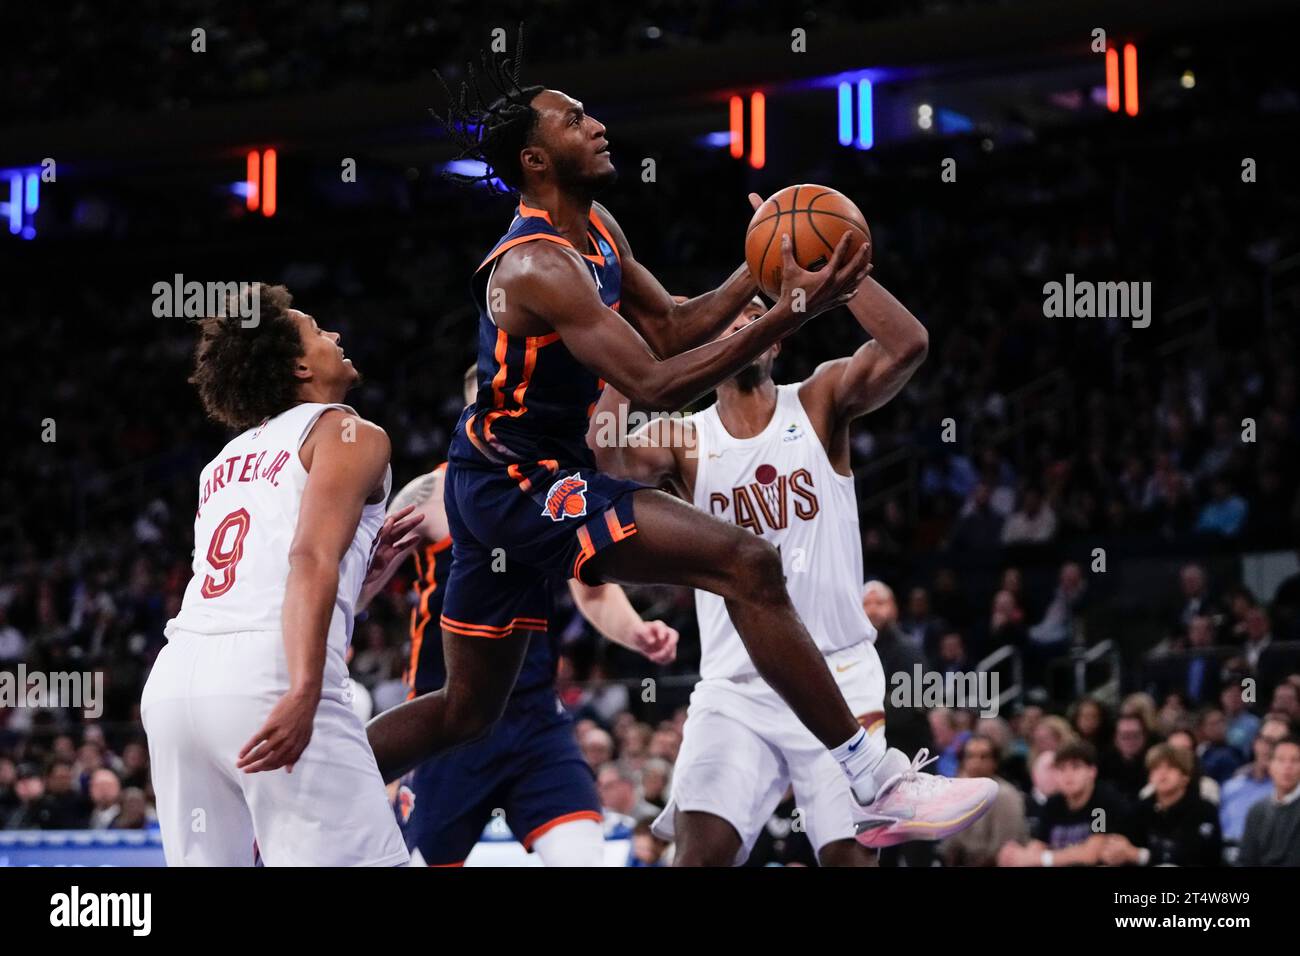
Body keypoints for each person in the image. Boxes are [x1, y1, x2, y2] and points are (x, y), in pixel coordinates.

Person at [363, 36, 972, 844]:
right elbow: (655, 383)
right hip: (517, 480)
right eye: (577, 121)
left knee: (466, 710)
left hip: (504, 478)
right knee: (747, 561)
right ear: (538, 159)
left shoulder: (600, 228)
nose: (598, 125)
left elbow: (675, 324)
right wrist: (788, 313)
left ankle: (304, 780)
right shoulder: (537, 264)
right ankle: (874, 774)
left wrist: (765, 271)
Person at [595, 282, 996, 865]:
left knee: (848, 859)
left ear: (775, 338)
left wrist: (844, 271)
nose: (739, 328)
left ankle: (876, 783)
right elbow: (605, 462)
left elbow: (908, 344)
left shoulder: (818, 399)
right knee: (698, 856)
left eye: (754, 318)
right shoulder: (682, 439)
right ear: (706, 343)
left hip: (838, 674)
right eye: (725, 324)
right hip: (737, 688)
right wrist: (627, 357)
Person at [357, 370, 679, 867]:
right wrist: (356, 584)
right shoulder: (429, 494)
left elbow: (593, 595)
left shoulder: (555, 490)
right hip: (447, 718)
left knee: (586, 860)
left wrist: (636, 631)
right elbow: (356, 598)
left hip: (532, 718)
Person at [140, 285, 409, 866]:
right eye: (318, 330)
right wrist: (305, 688)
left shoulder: (223, 460)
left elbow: (261, 579)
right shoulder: (349, 431)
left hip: (175, 684)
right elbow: (308, 559)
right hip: (267, 674)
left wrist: (364, 572)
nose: (334, 335)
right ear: (298, 363)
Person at [997, 740, 1133, 866]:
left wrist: (1041, 858)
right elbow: (1038, 845)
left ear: (1092, 771)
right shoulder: (1053, 804)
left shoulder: (1103, 801)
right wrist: (1019, 856)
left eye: (1076, 767)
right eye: (1062, 768)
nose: (1068, 775)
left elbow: (1091, 854)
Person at [1101, 744, 1223, 867]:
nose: (1162, 774)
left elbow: (1197, 857)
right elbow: (1122, 840)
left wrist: (1139, 855)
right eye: (1156, 768)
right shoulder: (1142, 808)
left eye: (1170, 768)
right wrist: (1114, 852)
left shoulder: (1204, 810)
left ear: (1185, 777)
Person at [939, 735, 1029, 867]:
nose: (976, 762)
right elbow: (950, 845)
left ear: (995, 762)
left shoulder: (1005, 795)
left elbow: (1003, 849)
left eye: (984, 757)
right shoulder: (956, 791)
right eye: (970, 756)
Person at [1219, 717, 1289, 845]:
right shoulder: (1232, 785)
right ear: (1255, 743)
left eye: (1278, 744)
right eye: (1267, 741)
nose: (1271, 749)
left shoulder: (1293, 793)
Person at [1236, 736, 1300, 866]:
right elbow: (1245, 859)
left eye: (1295, 760)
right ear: (1269, 765)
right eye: (1281, 760)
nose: (1288, 766)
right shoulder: (1257, 810)